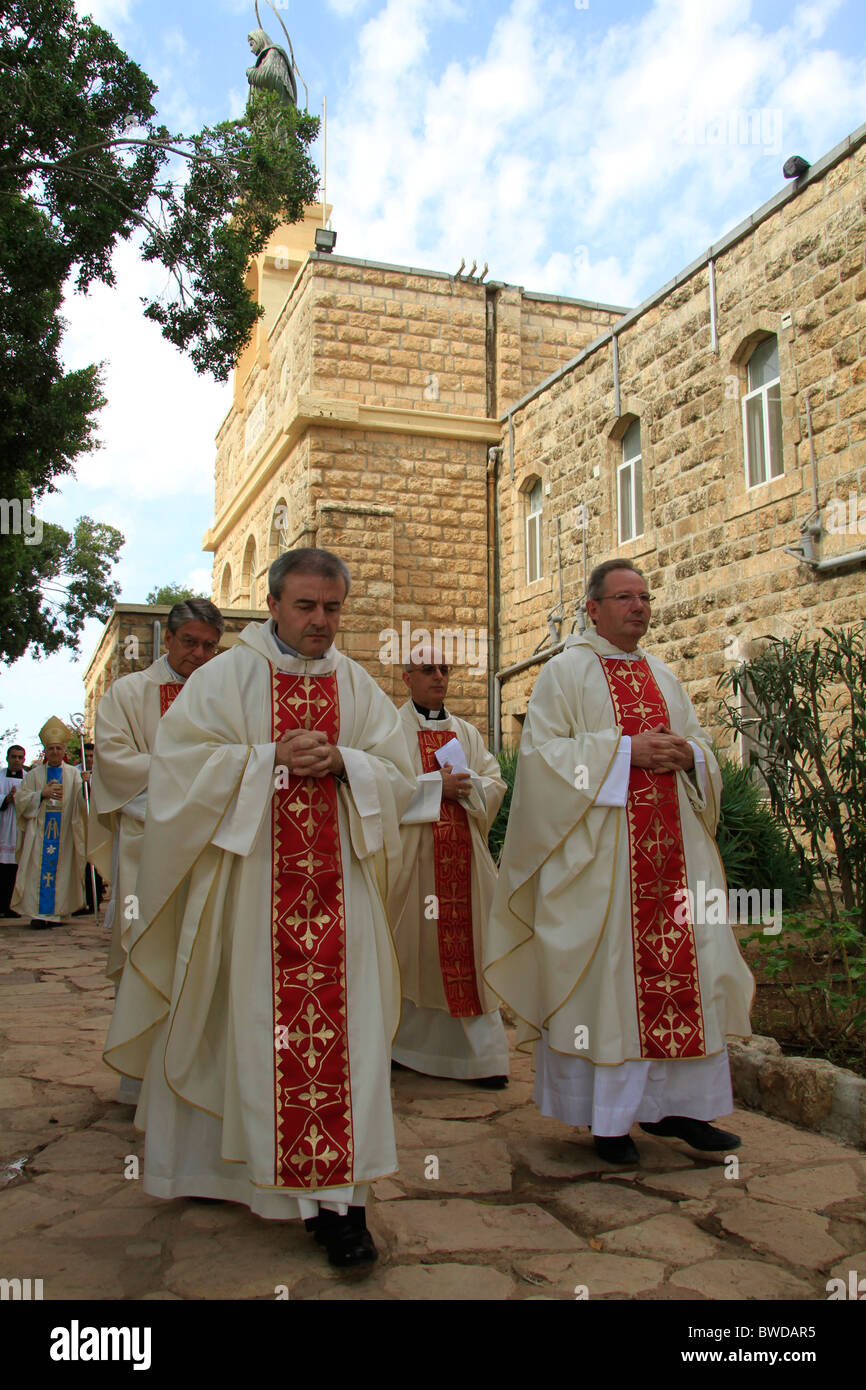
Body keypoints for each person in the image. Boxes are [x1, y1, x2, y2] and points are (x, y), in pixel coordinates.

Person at [104, 549, 415, 1267]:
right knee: (245, 1030)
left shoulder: (358, 684)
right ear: (273, 604)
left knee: (351, 1041)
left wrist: (346, 763)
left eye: (333, 608)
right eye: (306, 606)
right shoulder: (225, 678)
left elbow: (400, 776)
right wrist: (267, 756)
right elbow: (178, 772)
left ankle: (341, 1206)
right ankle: (230, 1172)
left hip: (343, 895)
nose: (321, 622)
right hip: (252, 894)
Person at [484, 560, 753, 1165]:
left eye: (644, 597)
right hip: (602, 862)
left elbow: (700, 748)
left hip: (673, 862)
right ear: (594, 608)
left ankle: (684, 1109)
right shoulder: (564, 672)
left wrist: (691, 755)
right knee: (608, 988)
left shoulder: (664, 674)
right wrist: (625, 751)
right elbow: (543, 760)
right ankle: (609, 1123)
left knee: (692, 974)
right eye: (624, 597)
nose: (638, 607)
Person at [389, 651, 509, 1086]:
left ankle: (479, 1059)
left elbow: (493, 782)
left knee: (472, 952)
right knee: (411, 953)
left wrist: (468, 787)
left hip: (465, 860)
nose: (439, 677)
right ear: (407, 678)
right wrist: (433, 787)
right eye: (428, 670)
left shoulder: (466, 733)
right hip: (413, 861)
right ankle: (403, 1047)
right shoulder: (390, 732)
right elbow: (379, 787)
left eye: (445, 670)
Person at [88, 599, 225, 980]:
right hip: (145, 842)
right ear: (168, 639)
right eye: (189, 642)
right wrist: (192, 780)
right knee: (145, 951)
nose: (199, 654)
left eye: (209, 646)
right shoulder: (127, 695)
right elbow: (115, 766)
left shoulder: (226, 699)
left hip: (210, 845)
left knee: (204, 960)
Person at [13, 718, 87, 929]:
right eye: (51, 748)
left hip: (64, 831)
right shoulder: (34, 775)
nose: (54, 751)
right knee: (38, 869)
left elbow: (83, 803)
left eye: (58, 748)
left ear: (64, 750)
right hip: (39, 831)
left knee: (62, 871)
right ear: (45, 750)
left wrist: (87, 786)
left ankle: (58, 912)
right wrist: (41, 794)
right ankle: (39, 913)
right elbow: (21, 800)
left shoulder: (73, 774)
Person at [0, 744, 26, 917]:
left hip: (19, 825)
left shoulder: (29, 777)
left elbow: (33, 797)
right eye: (13, 757)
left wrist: (21, 800)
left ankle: (14, 906)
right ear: (7, 758)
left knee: (17, 867)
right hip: (3, 824)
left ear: (24, 759)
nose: (16, 760)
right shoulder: (0, 776)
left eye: (20, 757)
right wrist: (6, 798)